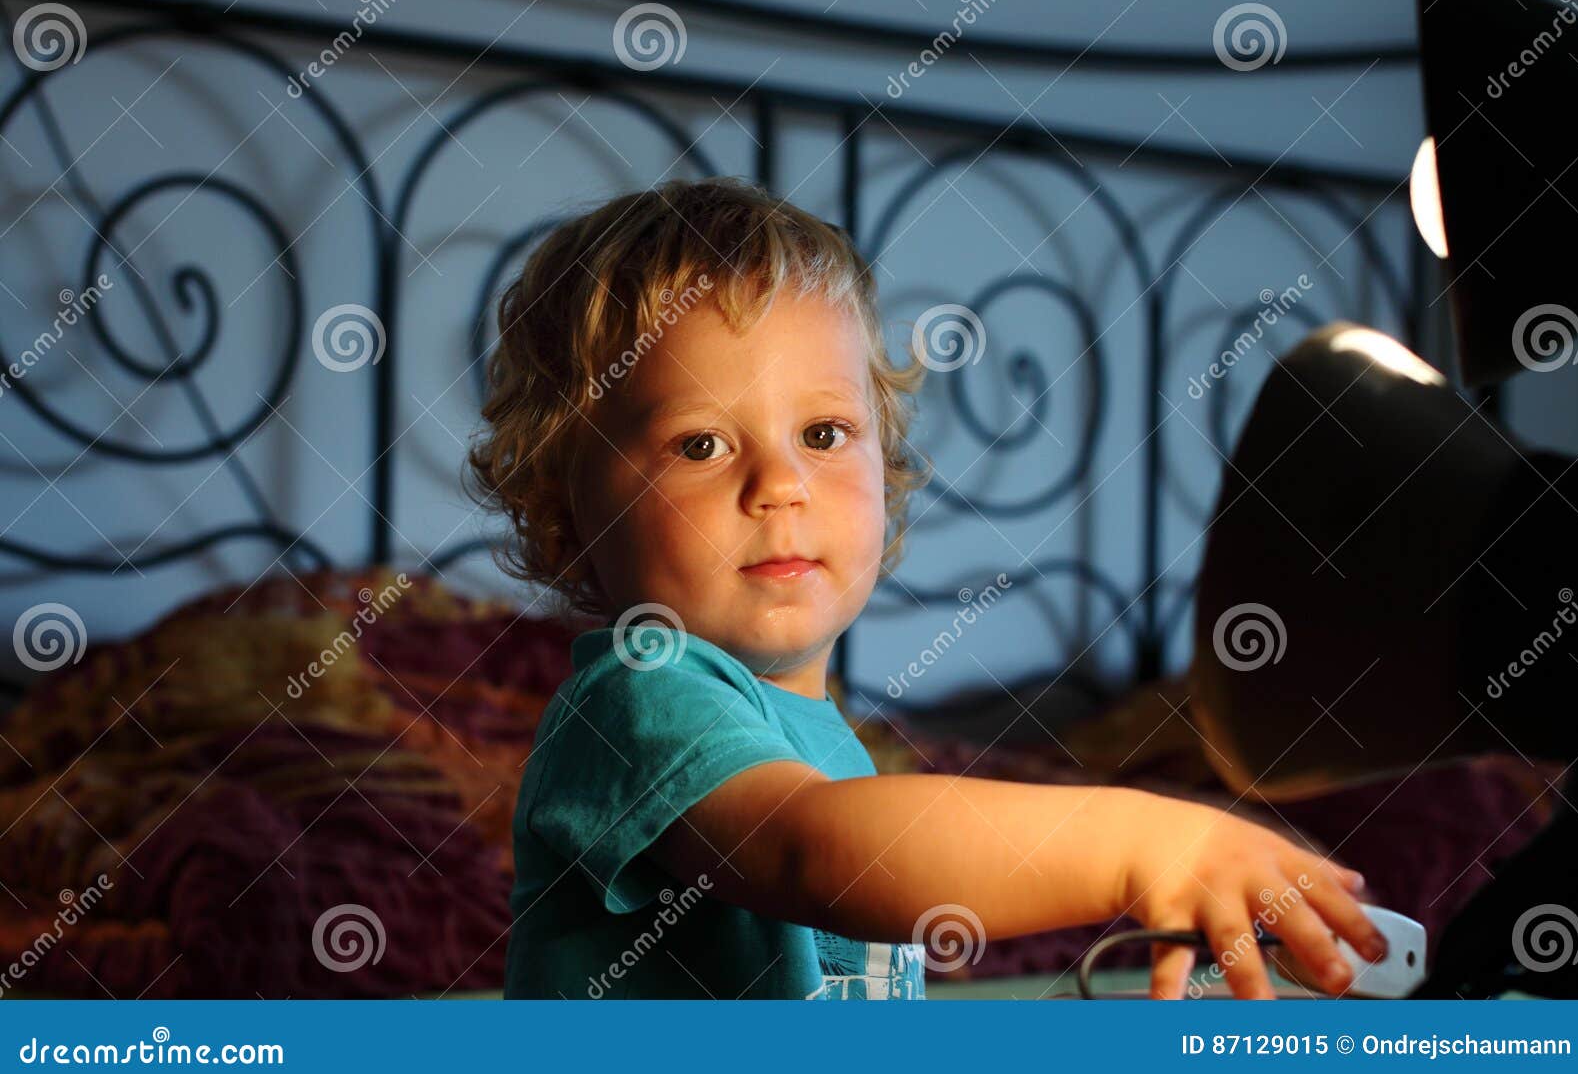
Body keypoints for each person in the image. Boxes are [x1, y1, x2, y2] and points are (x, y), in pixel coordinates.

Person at [469, 176, 1387, 1000]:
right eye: (701, 444)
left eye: (824, 434)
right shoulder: (634, 697)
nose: (781, 484)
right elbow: (819, 846)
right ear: (568, 506)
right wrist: (1143, 842)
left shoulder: (828, 745)